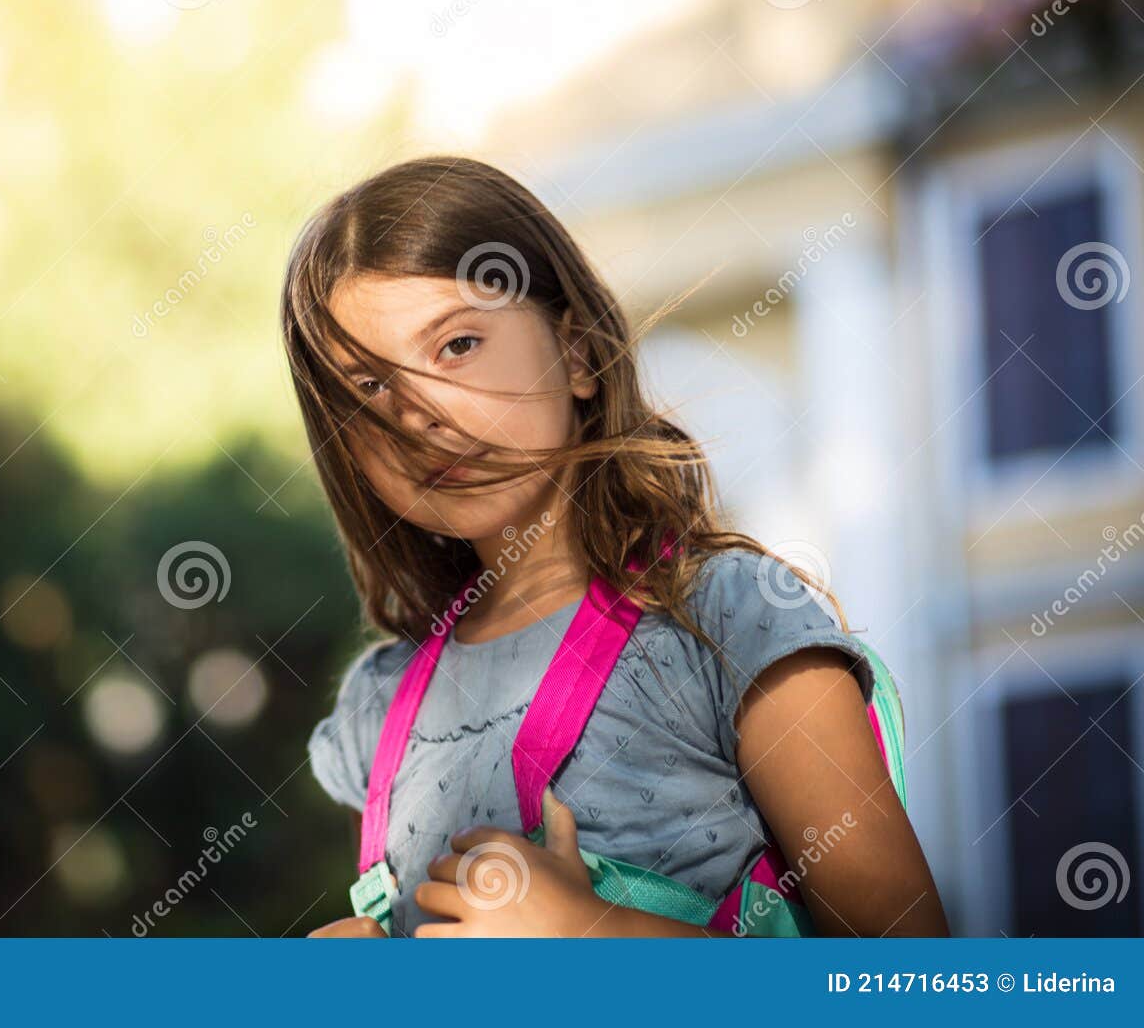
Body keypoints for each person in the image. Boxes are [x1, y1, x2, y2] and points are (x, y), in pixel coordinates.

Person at [280, 156, 948, 938]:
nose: (416, 410)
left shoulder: (729, 619)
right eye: (367, 387)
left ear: (578, 353)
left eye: (457, 343)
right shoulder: (377, 710)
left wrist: (596, 932)